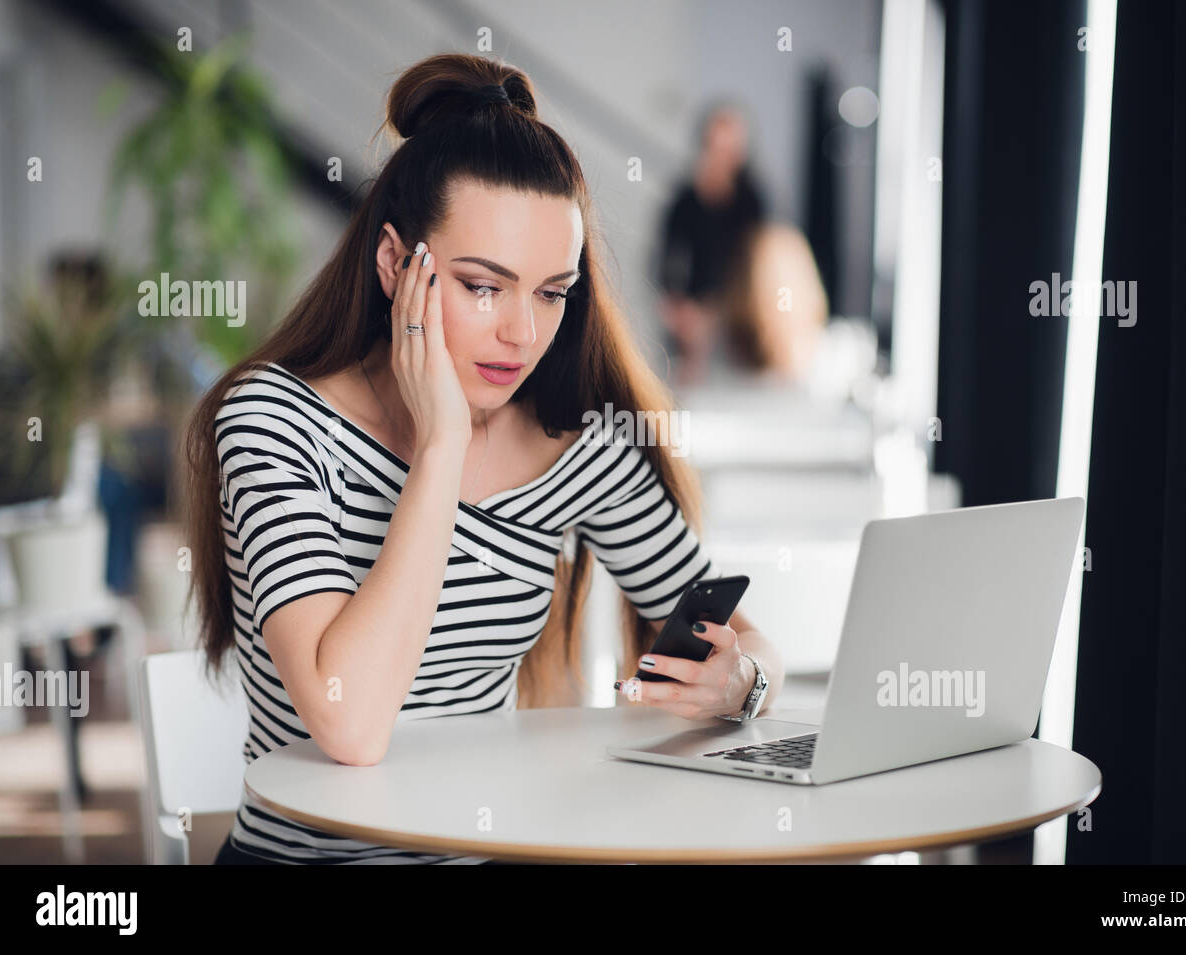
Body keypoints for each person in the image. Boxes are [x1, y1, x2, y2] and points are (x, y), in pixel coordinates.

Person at [182, 53, 786, 864]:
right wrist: (441, 446)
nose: (522, 335)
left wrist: (743, 685)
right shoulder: (273, 423)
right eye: (481, 286)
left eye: (550, 291)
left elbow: (753, 644)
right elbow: (351, 725)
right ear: (398, 265)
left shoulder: (575, 449)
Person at [655, 103, 767, 386]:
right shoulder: (685, 199)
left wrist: (718, 311)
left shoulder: (752, 201)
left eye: (730, 149)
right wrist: (675, 304)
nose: (722, 157)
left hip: (740, 304)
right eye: (716, 147)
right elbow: (667, 257)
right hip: (695, 308)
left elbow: (757, 264)